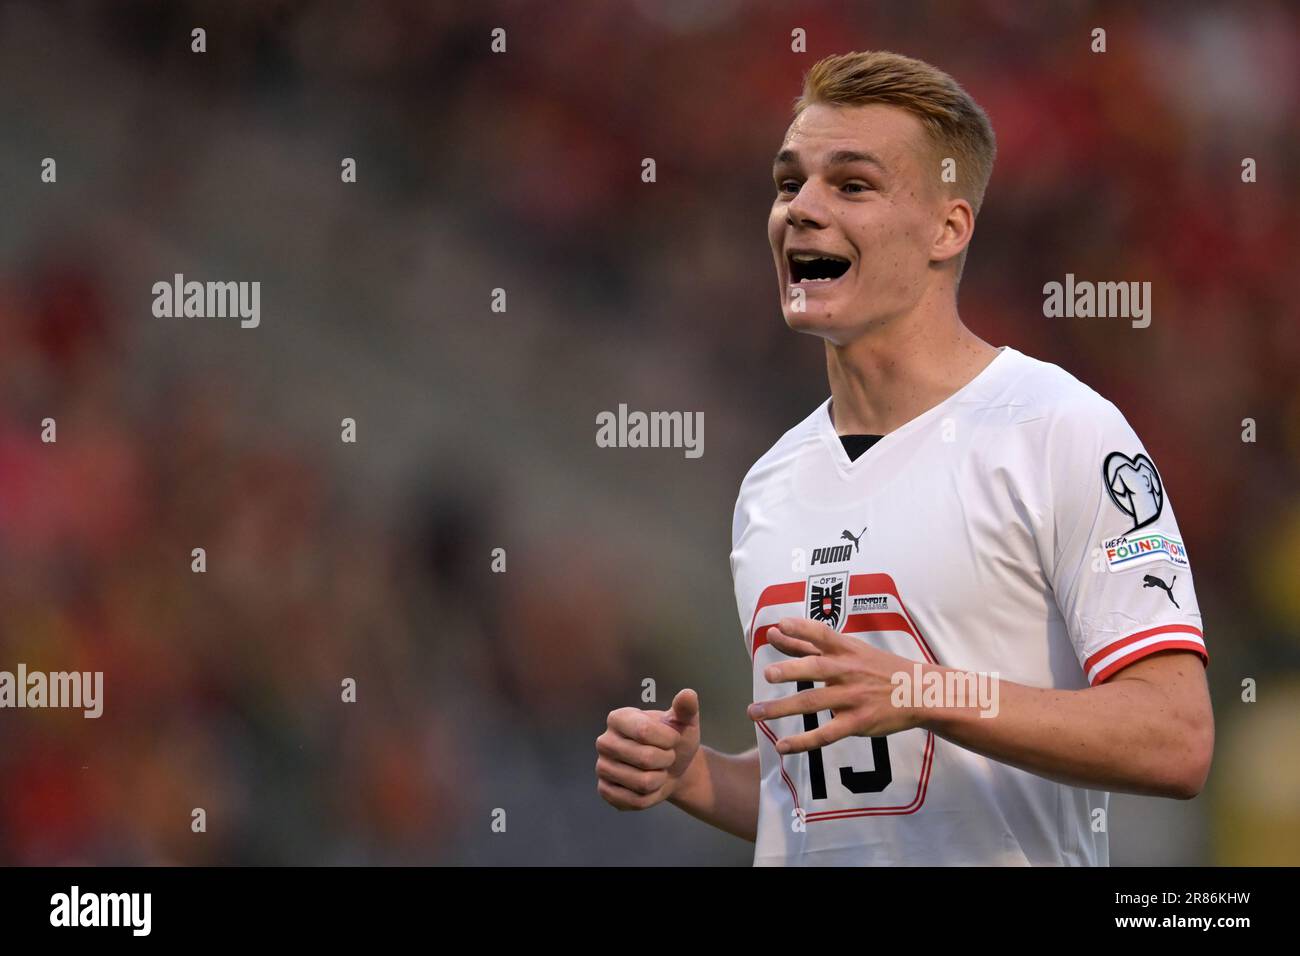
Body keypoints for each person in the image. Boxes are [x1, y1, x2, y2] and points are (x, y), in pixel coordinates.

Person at [595, 50, 1212, 865]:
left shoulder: (1058, 429)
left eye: (851, 185)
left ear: (947, 228)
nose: (801, 210)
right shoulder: (770, 485)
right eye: (789, 183)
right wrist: (692, 775)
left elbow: (1175, 737)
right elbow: (837, 801)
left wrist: (925, 693)